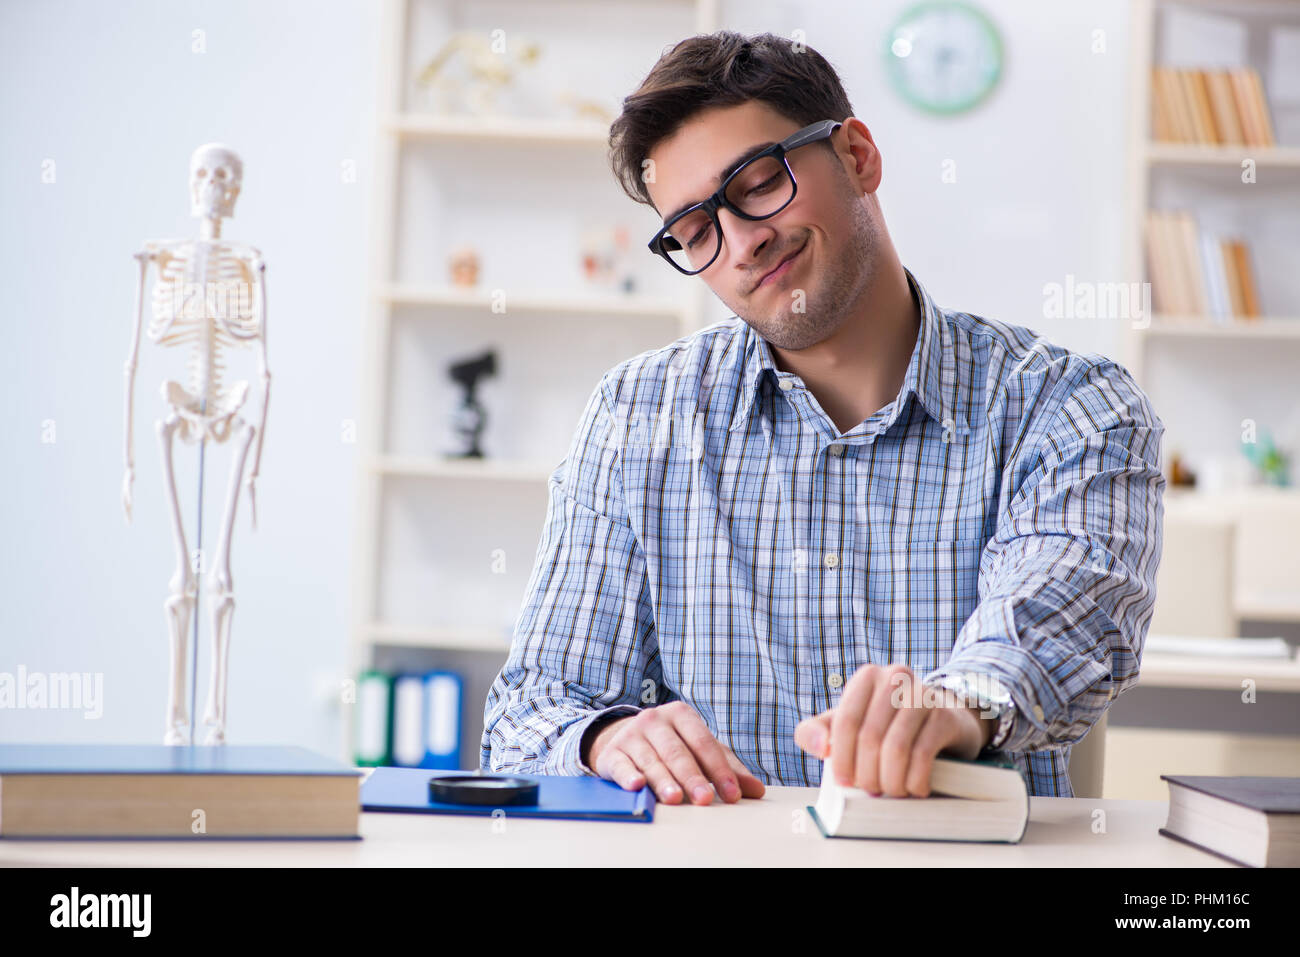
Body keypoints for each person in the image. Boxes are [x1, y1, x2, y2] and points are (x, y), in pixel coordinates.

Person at [481, 31, 1165, 804]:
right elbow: (531, 712)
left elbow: (1061, 619)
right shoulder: (638, 416)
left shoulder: (1068, 407)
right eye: (697, 232)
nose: (742, 242)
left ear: (858, 157)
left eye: (757, 182)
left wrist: (957, 707)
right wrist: (605, 736)